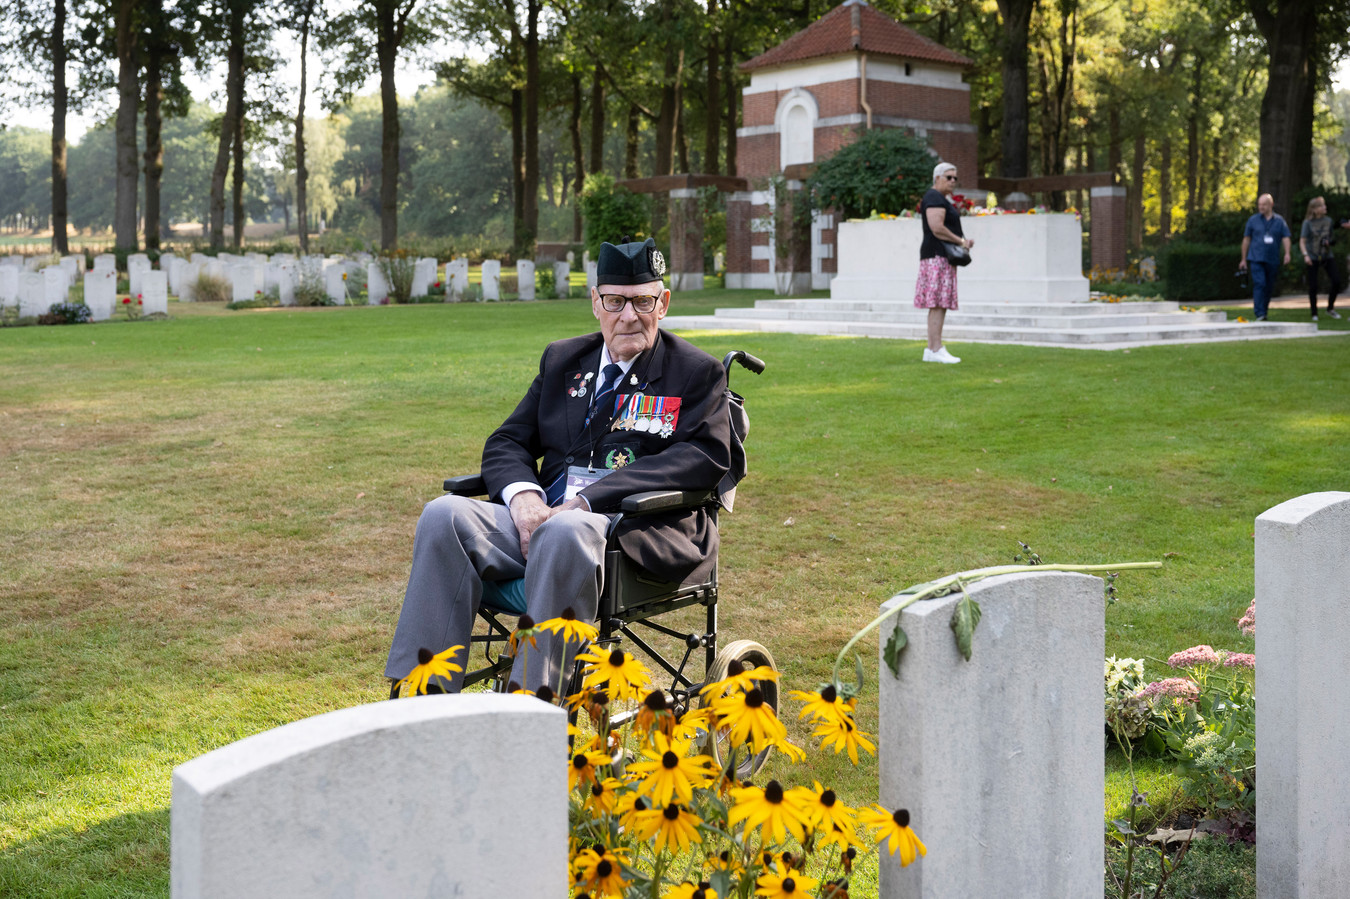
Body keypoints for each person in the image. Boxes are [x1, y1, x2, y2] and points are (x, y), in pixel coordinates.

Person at [384, 237, 732, 696]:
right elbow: (509, 439)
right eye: (615, 301)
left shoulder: (695, 372)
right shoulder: (564, 360)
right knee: (444, 513)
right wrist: (524, 499)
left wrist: (586, 501)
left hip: (628, 530)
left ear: (662, 303)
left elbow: (702, 458)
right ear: (596, 303)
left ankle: (531, 703)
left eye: (643, 300)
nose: (629, 315)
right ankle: (421, 693)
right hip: (540, 521)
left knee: (564, 531)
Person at [916, 161, 972, 363]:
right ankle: (935, 349)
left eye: (955, 178)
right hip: (937, 257)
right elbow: (936, 227)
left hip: (939, 257)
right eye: (949, 177)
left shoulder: (940, 198)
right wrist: (961, 241)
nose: (953, 181)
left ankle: (932, 350)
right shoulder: (934, 197)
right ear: (937, 178)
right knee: (938, 304)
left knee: (939, 304)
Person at [1238, 193, 1291, 321]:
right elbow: (1246, 240)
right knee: (1259, 283)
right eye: (1259, 204)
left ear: (1271, 205)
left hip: (1272, 259)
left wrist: (1287, 253)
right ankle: (1259, 312)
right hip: (1256, 258)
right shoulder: (1253, 220)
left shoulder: (1279, 221)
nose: (1261, 207)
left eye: (1264, 204)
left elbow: (1286, 237)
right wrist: (1243, 259)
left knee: (1269, 286)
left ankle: (1264, 311)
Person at [1298, 195, 1350, 321]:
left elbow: (1333, 239)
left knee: (1336, 281)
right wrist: (1306, 255)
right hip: (1312, 256)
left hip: (1327, 255)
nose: (1325, 207)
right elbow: (1302, 241)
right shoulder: (1307, 223)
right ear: (1314, 209)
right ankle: (1314, 313)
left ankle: (1330, 308)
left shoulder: (1329, 221)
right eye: (1322, 206)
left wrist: (1329, 242)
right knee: (1313, 286)